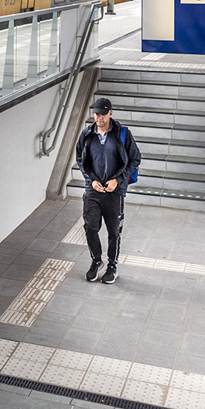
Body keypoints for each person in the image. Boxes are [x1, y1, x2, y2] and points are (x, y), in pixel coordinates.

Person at [74, 97, 141, 284]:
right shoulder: (87, 134)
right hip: (93, 189)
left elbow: (135, 159)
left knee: (114, 231)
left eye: (103, 114)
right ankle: (96, 261)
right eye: (96, 114)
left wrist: (117, 180)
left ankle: (112, 266)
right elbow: (81, 159)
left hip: (115, 191)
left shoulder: (123, 134)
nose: (99, 118)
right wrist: (91, 180)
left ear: (110, 113)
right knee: (90, 227)